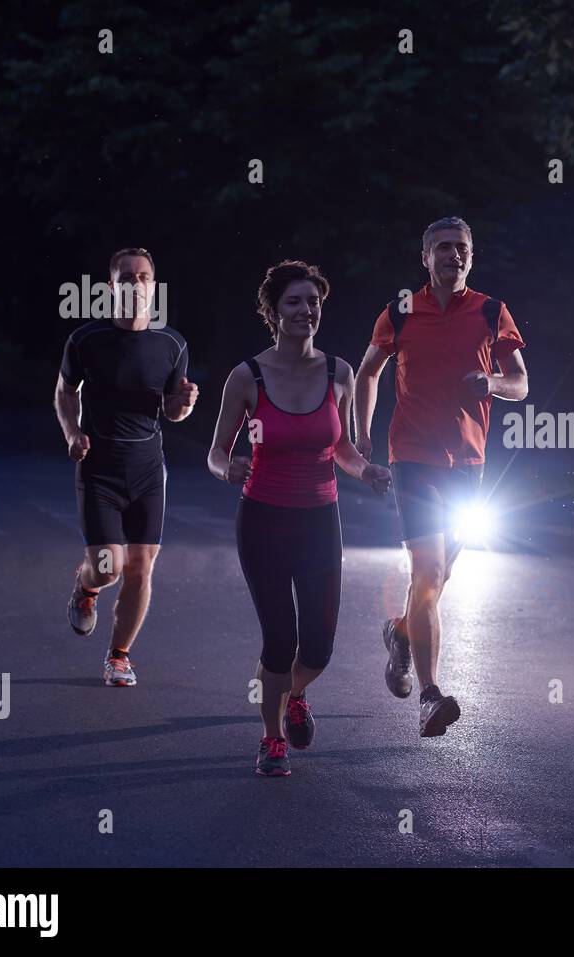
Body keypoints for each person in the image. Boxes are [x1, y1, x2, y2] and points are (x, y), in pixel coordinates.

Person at [208, 260, 391, 777]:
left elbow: (343, 448)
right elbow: (216, 452)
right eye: (294, 301)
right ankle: (271, 740)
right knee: (279, 639)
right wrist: (227, 470)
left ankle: (296, 695)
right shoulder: (248, 376)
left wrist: (367, 472)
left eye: (313, 302)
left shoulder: (339, 373)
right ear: (274, 310)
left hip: (319, 520)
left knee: (319, 645)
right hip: (263, 518)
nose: (305, 310)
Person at [354, 217, 528, 737]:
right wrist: (362, 440)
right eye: (443, 248)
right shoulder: (401, 312)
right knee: (426, 573)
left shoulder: (491, 311)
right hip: (413, 458)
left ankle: (401, 633)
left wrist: (492, 382)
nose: (453, 255)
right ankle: (430, 696)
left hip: (469, 465)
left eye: (462, 248)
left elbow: (521, 384)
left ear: (471, 257)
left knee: (440, 578)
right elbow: (368, 372)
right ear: (425, 258)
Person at [55, 247, 197, 687]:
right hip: (99, 470)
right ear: (110, 286)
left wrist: (184, 404)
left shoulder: (171, 343)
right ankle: (87, 588)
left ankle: (119, 656)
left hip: (148, 470)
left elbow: (172, 411)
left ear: (153, 286)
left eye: (143, 278)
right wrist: (72, 433)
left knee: (140, 567)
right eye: (126, 277)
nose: (135, 285)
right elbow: (64, 392)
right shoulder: (86, 340)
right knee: (107, 566)